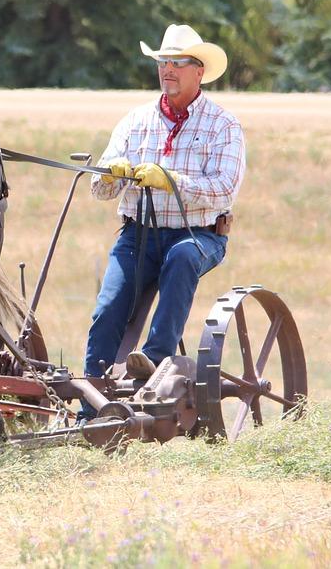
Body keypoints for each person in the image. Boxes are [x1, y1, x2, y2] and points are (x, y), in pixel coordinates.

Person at [83, 24, 246, 399]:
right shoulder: (136, 121)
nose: (167, 69)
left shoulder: (223, 125)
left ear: (199, 71)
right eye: (162, 62)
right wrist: (114, 174)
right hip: (137, 235)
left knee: (182, 258)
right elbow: (99, 189)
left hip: (199, 235)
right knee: (108, 310)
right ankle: (91, 406)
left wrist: (170, 180)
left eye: (177, 62)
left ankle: (154, 360)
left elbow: (224, 189)